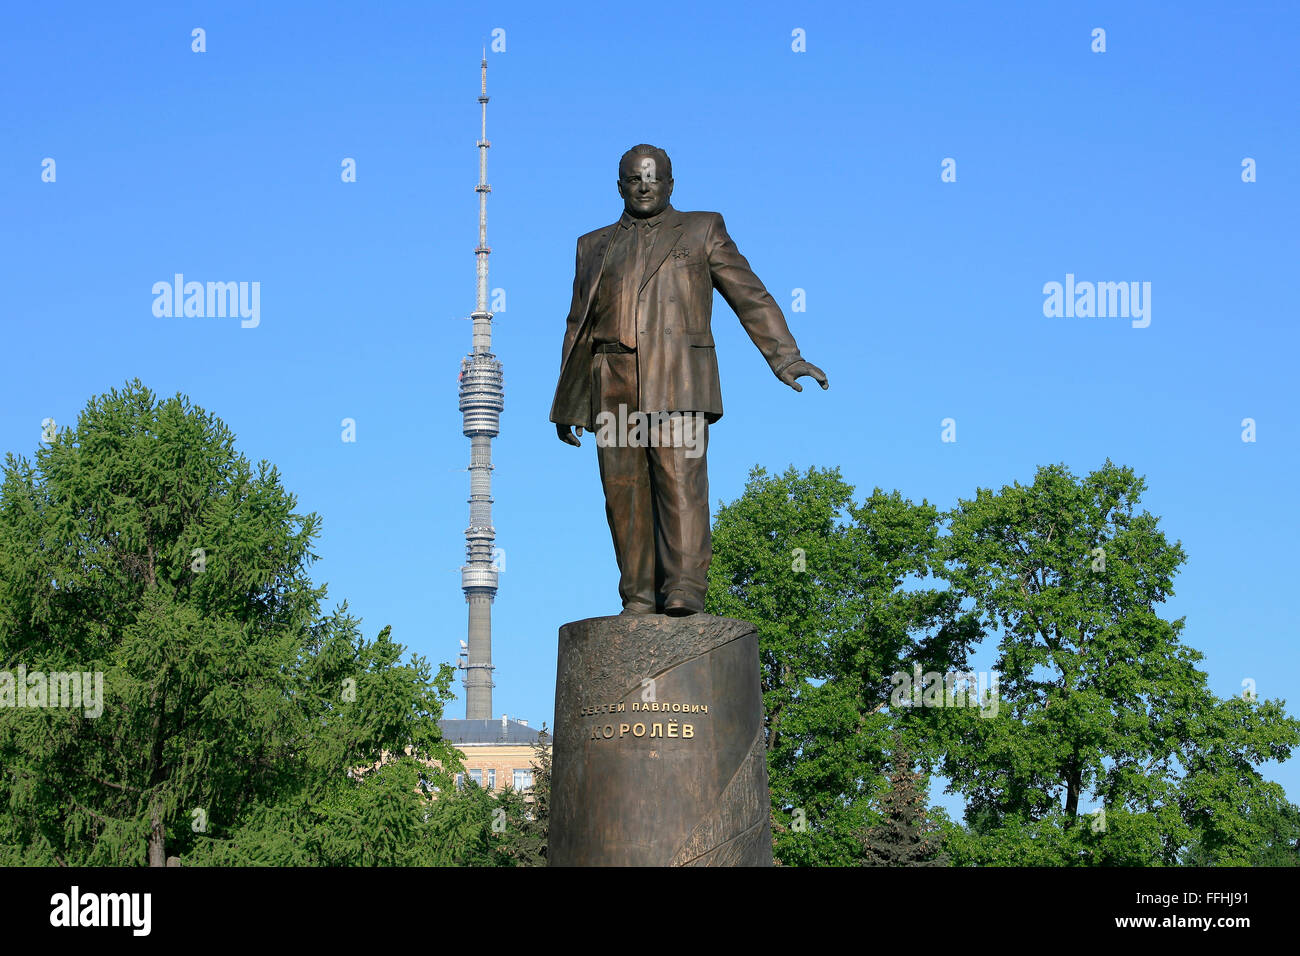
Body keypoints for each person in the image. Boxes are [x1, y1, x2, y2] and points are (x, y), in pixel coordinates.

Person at [550, 144, 828, 615]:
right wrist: (571, 400)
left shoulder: (702, 229)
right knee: (623, 494)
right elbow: (577, 324)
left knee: (680, 484)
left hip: (676, 380)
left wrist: (785, 357)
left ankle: (684, 587)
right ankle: (637, 595)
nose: (643, 186)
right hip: (612, 381)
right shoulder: (592, 244)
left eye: (652, 178)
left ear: (670, 185)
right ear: (619, 185)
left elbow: (750, 295)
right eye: (634, 179)